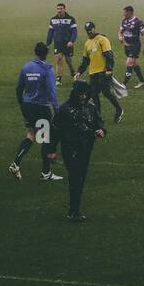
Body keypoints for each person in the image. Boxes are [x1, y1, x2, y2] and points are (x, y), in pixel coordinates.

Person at [52, 79, 105, 222]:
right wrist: (51, 150)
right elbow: (55, 130)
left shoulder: (91, 107)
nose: (82, 97)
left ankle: (74, 208)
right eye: (80, 94)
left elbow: (98, 122)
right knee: (76, 177)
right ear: (75, 94)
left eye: (85, 94)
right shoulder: (64, 110)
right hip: (70, 148)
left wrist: (101, 130)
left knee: (80, 179)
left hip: (86, 148)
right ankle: (73, 210)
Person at [9, 42, 62, 182]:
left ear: (35, 52)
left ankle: (16, 164)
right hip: (41, 108)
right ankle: (45, 173)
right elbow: (51, 92)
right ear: (47, 53)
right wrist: (57, 110)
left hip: (27, 106)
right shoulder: (48, 70)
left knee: (31, 135)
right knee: (45, 139)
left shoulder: (26, 67)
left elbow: (18, 88)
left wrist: (22, 105)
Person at [75, 21, 122, 124]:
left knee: (106, 92)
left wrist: (109, 69)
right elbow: (85, 61)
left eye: (90, 30)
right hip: (93, 73)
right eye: (87, 30)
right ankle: (99, 117)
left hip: (103, 72)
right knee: (94, 95)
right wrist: (79, 72)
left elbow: (109, 55)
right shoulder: (87, 43)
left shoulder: (102, 39)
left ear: (94, 28)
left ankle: (119, 110)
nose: (89, 32)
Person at [46, 2, 78, 84]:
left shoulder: (71, 19)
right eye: (58, 9)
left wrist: (71, 41)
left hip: (68, 44)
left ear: (64, 9)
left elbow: (74, 32)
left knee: (68, 61)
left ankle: (73, 72)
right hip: (58, 43)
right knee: (58, 60)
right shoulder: (53, 19)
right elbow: (50, 32)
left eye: (61, 9)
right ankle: (58, 79)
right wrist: (47, 44)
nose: (59, 10)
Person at [119, 5, 144, 89]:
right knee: (134, 63)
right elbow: (120, 32)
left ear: (129, 12)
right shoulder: (124, 21)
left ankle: (123, 84)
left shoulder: (138, 22)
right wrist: (120, 37)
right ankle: (142, 81)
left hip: (135, 45)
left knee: (129, 62)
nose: (123, 14)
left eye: (124, 12)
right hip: (127, 46)